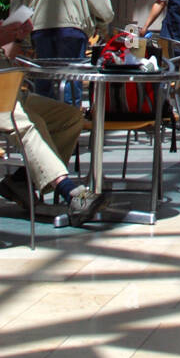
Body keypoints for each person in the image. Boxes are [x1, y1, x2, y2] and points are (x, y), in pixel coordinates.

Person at [0, 19, 104, 226]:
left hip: (10, 91)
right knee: (30, 122)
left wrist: (17, 36)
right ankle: (69, 191)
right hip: (4, 101)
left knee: (70, 117)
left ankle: (22, 180)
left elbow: (8, 54)